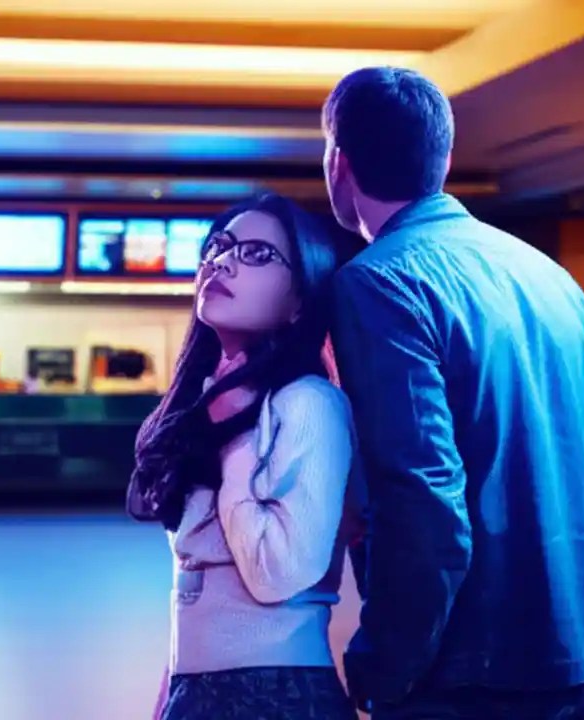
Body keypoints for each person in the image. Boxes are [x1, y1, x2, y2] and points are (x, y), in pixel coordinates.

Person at [322, 66, 584, 719]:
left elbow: (425, 499)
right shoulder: (550, 278)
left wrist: (384, 662)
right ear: (445, 159)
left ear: (339, 163)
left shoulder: (379, 282)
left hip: (466, 679)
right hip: (581, 661)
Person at [127, 193, 364, 720]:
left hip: (273, 693)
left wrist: (233, 441)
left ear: (299, 300)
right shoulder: (211, 397)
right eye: (218, 247)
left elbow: (276, 574)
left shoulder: (309, 403)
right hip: (202, 687)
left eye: (257, 254)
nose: (223, 261)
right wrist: (173, 685)